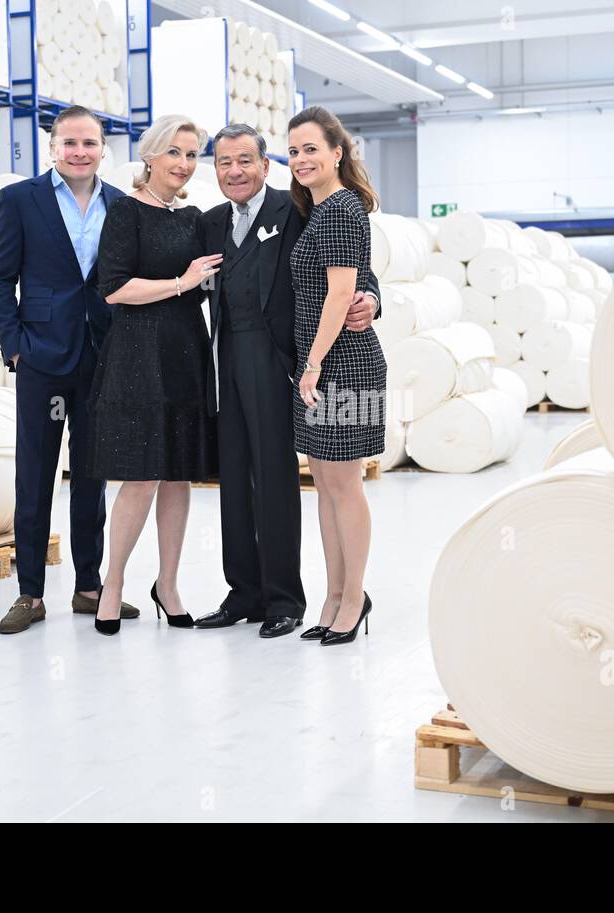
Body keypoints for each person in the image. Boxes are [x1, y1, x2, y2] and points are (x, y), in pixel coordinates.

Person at [193, 124, 379, 639]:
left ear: (263, 165)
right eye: (224, 163)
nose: (235, 171)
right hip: (226, 356)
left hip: (281, 359)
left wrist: (372, 300)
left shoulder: (297, 210)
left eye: (245, 161)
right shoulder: (209, 223)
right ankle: (243, 592)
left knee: (276, 477)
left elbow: (354, 269)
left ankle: (282, 598)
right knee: (233, 475)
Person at [0, 105, 141, 635]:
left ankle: (89, 587)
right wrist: (15, 347)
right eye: (69, 143)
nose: (80, 152)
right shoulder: (20, 200)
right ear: (52, 146)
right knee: (34, 476)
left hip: (101, 358)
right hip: (42, 360)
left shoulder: (120, 205)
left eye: (90, 144)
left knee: (92, 479)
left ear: (104, 150)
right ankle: (30, 593)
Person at [87, 114, 222, 636]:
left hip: (186, 351)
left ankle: (168, 585)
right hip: (138, 354)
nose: (184, 165)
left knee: (178, 475)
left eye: (192, 155)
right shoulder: (125, 212)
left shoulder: (192, 219)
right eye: (175, 153)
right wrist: (183, 282)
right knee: (140, 475)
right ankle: (114, 583)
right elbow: (114, 289)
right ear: (150, 157)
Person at [287, 106, 386, 646]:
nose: (302, 159)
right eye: (294, 150)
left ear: (336, 153)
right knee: (324, 484)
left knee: (344, 485)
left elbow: (343, 292)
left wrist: (315, 362)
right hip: (320, 367)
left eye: (311, 149)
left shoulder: (342, 209)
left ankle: (354, 598)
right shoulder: (318, 209)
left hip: (346, 366)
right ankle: (332, 594)